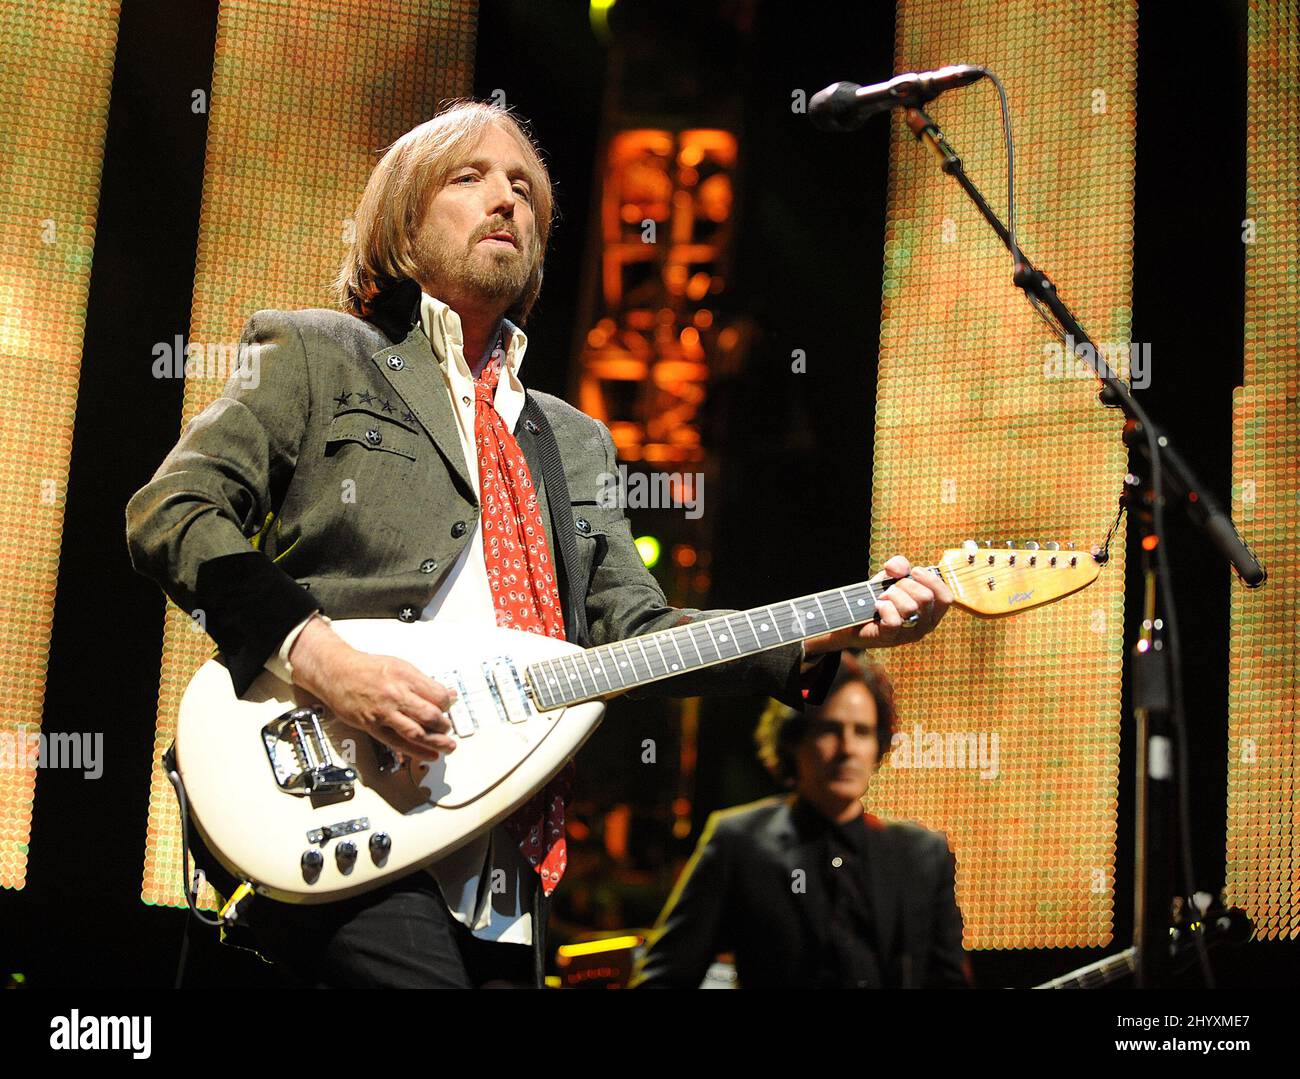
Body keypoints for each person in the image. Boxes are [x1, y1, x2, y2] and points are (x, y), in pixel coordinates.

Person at [124, 100, 953, 989]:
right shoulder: (319, 352)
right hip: (341, 804)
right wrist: (326, 659)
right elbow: (172, 508)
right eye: (471, 177)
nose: (506, 199)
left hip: (509, 864)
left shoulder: (575, 441)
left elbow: (635, 632)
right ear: (404, 217)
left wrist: (835, 629)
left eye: (525, 187)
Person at [630, 652, 971, 988]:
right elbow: (664, 976)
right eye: (830, 729)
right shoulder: (740, 841)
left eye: (863, 732)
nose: (847, 748)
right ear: (795, 740)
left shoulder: (922, 854)